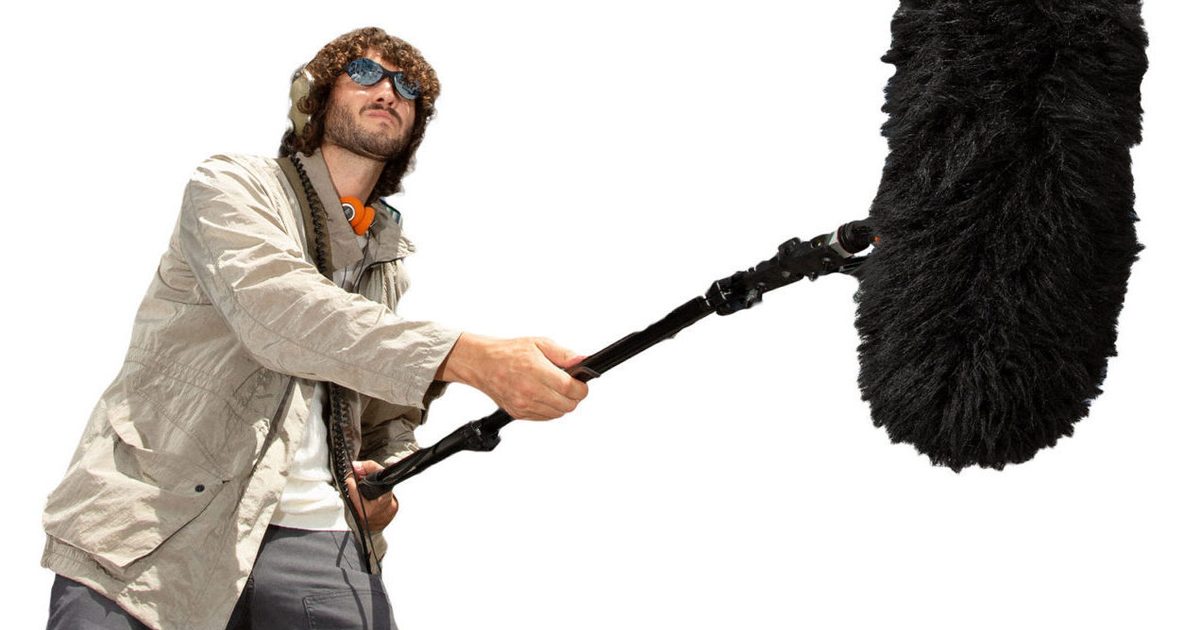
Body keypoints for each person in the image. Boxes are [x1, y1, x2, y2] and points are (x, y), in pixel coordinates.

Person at [42, 26, 588, 630]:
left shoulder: (386, 260)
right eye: (366, 74)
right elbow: (277, 308)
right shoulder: (232, 185)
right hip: (155, 529)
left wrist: (385, 472)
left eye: (408, 87)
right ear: (316, 96)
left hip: (320, 541)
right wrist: (466, 356)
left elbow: (380, 413)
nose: (389, 91)